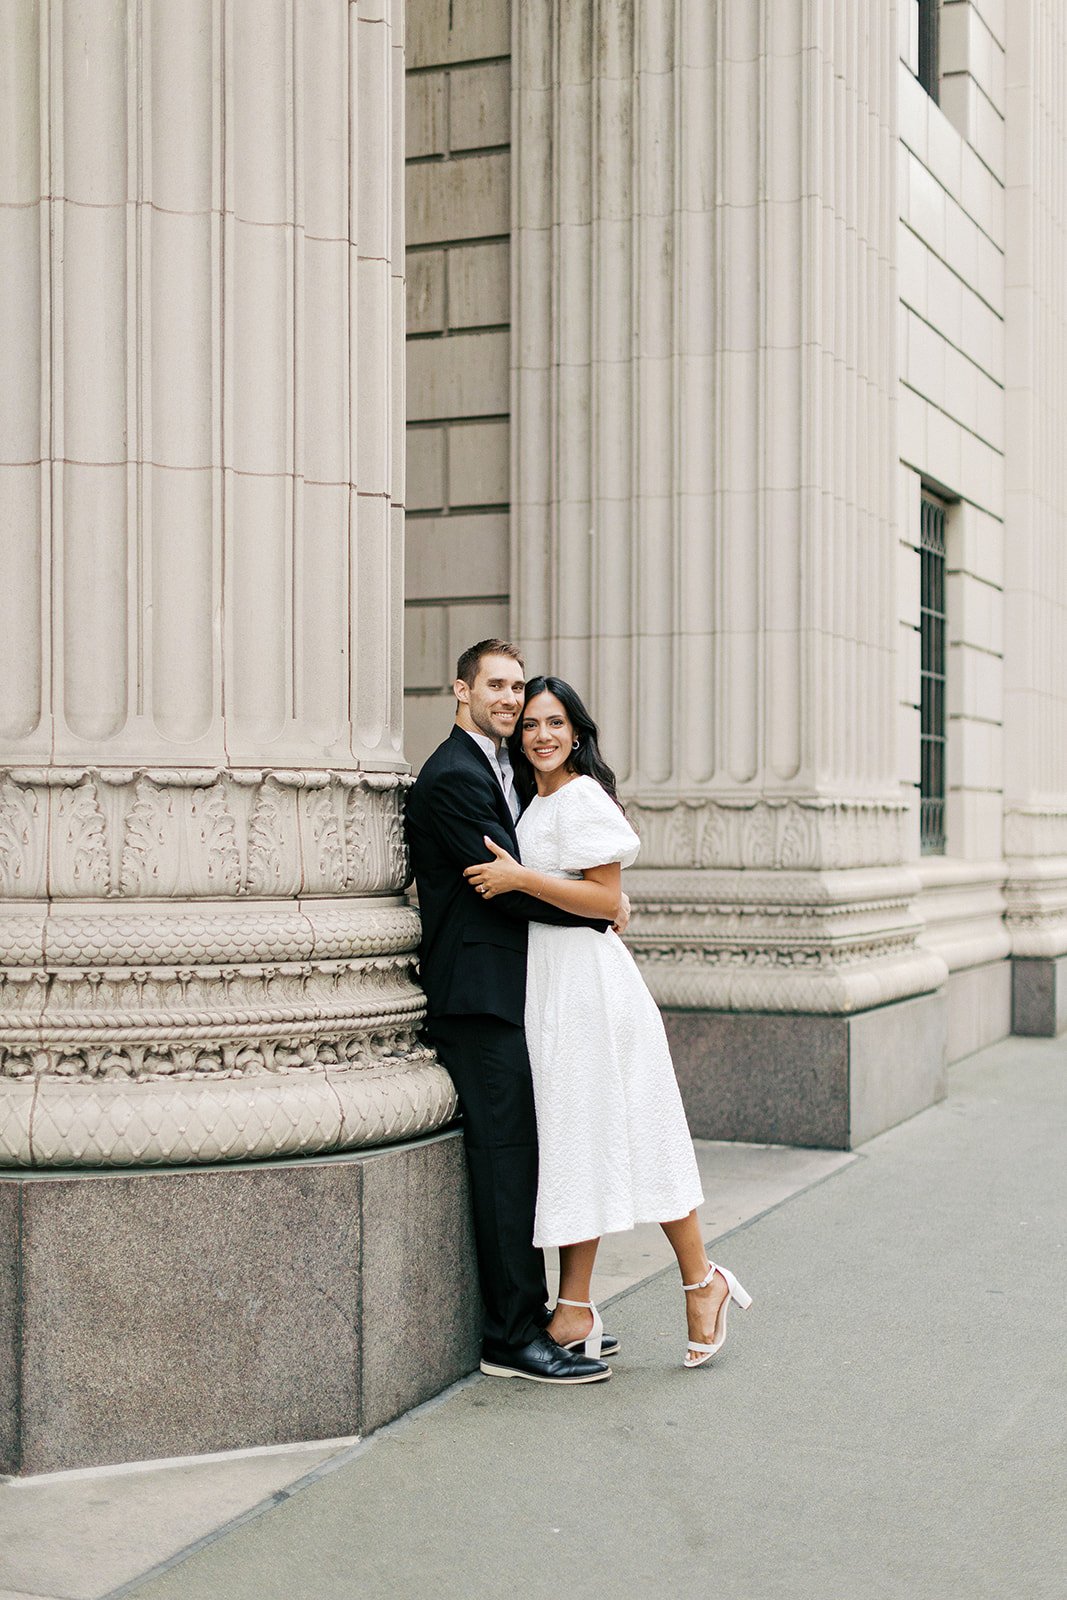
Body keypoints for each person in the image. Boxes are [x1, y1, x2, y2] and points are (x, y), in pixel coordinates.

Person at [463, 676, 752, 1368]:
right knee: (578, 1141)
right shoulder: (538, 801)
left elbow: (602, 899)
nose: (540, 735)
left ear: (576, 732)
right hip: (557, 984)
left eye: (554, 723)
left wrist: (520, 880)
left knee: (639, 1137)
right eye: (529, 724)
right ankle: (575, 1307)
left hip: (591, 990)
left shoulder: (581, 798)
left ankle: (700, 1280)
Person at [405, 640, 626, 1385]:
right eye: (494, 686)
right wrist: (602, 907)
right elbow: (501, 886)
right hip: (476, 995)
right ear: (459, 688)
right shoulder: (452, 777)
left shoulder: (506, 771)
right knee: (504, 1162)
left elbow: (526, 876)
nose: (507, 699)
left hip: (512, 991)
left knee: (523, 1157)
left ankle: (534, 1318)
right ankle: (509, 1337)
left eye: (514, 687)